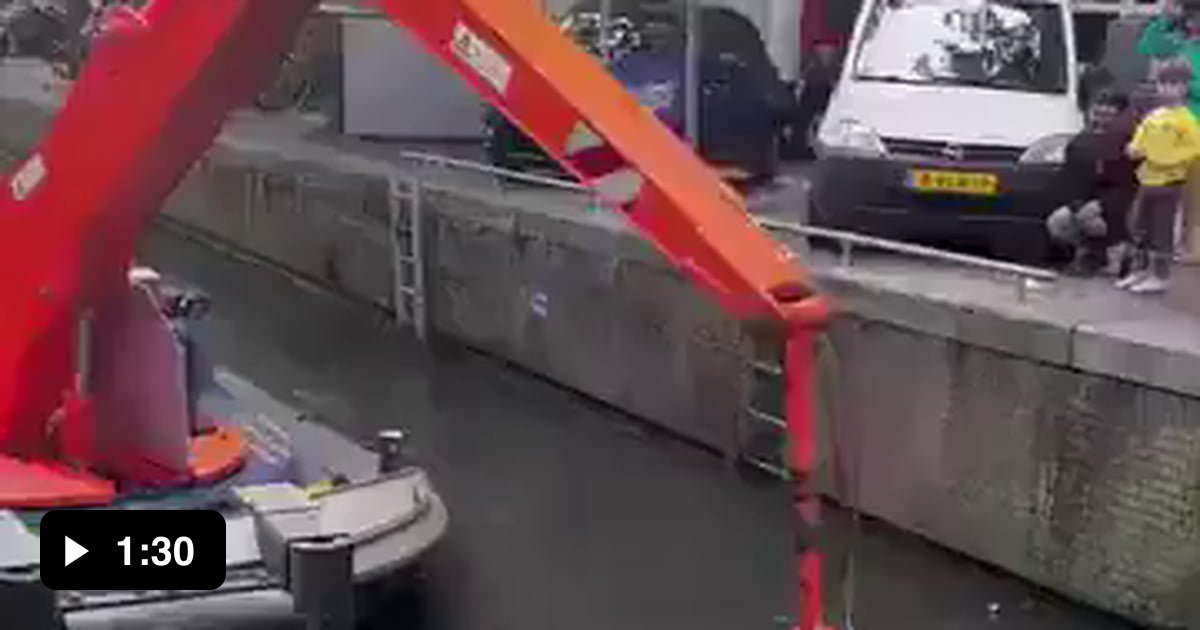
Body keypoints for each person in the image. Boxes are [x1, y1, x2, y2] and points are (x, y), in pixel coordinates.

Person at [1119, 57, 1200, 293]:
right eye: (1163, 83)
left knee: (1161, 230)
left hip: (1169, 182)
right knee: (1139, 228)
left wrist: (1167, 159)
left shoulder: (1186, 120)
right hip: (1147, 180)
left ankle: (1160, 275)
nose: (1167, 89)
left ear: (1184, 87)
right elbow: (1140, 138)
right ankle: (1140, 270)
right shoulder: (1154, 116)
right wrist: (1134, 149)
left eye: (1174, 84)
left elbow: (1194, 148)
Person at [1046, 87, 1140, 276]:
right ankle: (1094, 254)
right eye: (1099, 105)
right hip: (1088, 205)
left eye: (1109, 107)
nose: (1102, 111)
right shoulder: (1079, 143)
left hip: (1120, 206)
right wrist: (1079, 208)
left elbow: (1130, 184)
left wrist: (1101, 207)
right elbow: (1068, 182)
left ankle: (1123, 252)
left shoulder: (1132, 143)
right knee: (1057, 223)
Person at [1139, 0, 1200, 259]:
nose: (1195, 21)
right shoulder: (1182, 45)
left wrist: (1186, 84)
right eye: (1193, 15)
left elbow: (1183, 83)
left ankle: (1192, 245)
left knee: (1194, 193)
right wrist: (1165, 17)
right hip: (1170, 131)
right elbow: (1148, 45)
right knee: (1167, 190)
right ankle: (1163, 247)